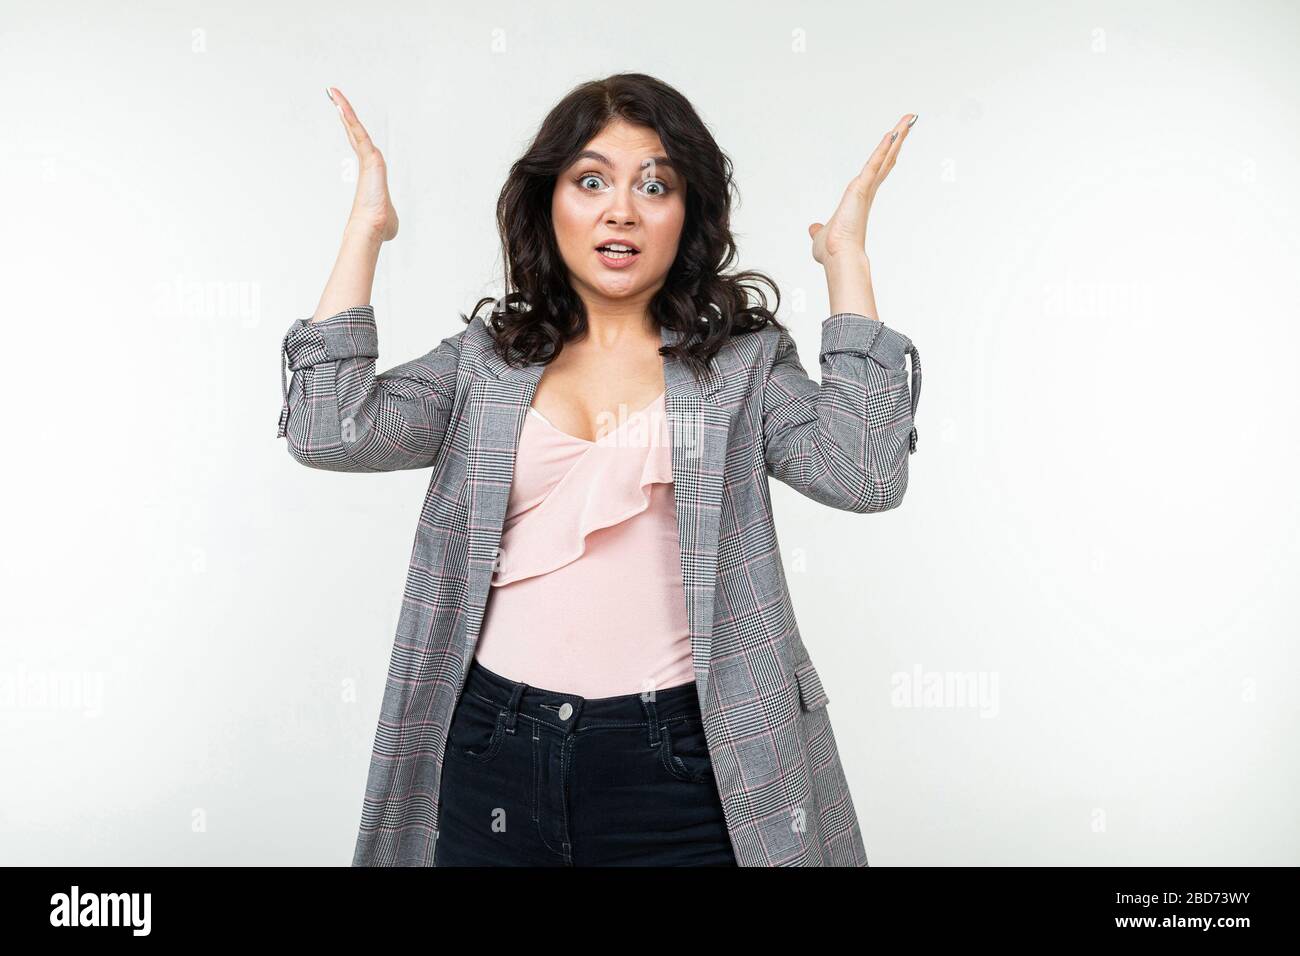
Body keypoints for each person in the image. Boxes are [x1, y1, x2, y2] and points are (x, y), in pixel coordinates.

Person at [277, 73, 921, 866]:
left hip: (687, 764)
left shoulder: (741, 369)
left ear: (688, 216)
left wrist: (845, 261)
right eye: (591, 181)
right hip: (493, 749)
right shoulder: (485, 366)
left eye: (655, 184)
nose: (622, 209)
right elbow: (327, 429)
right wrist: (366, 230)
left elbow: (864, 474)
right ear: (550, 203)